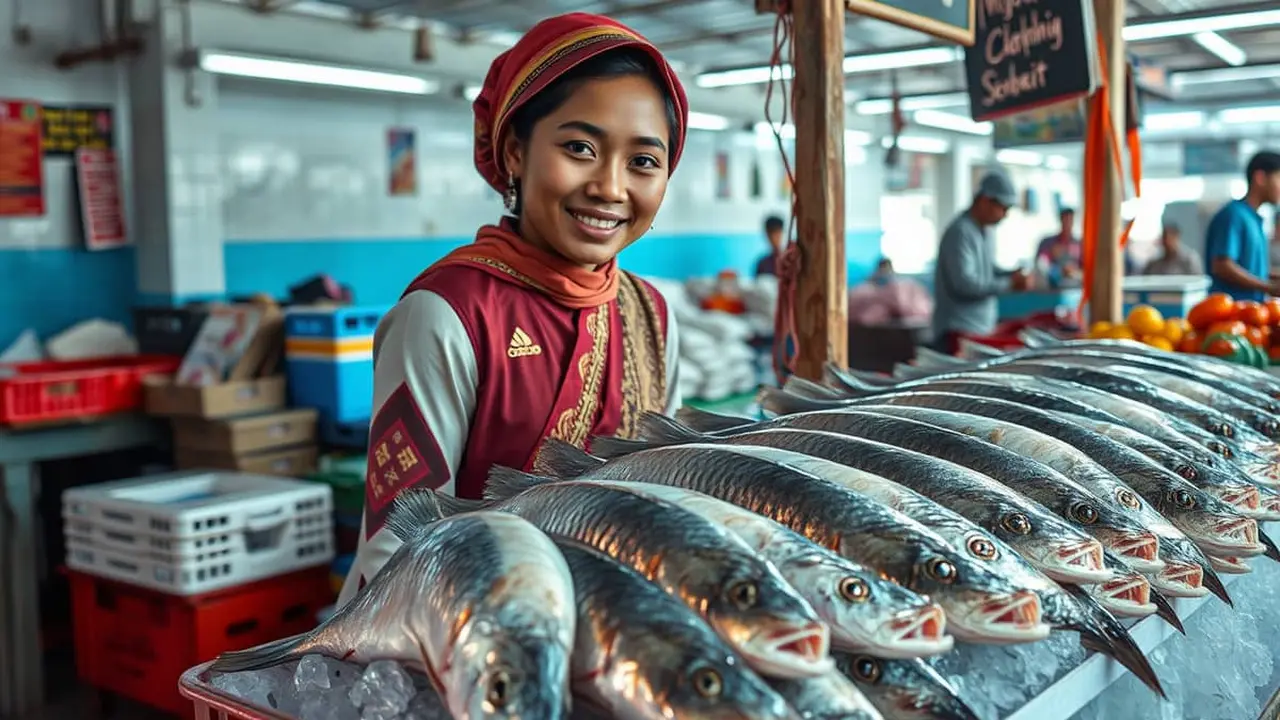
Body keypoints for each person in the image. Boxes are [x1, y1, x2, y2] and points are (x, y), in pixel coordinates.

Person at [337, 12, 688, 604]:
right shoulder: (448, 312)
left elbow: (663, 496)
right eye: (580, 148)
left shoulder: (651, 313)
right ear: (515, 152)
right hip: (452, 636)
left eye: (643, 162)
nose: (610, 187)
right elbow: (399, 545)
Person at [932, 169, 1031, 354]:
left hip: (979, 328)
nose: (1005, 215)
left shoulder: (985, 230)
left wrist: (1011, 273)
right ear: (985, 201)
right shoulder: (961, 232)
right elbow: (965, 285)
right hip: (958, 332)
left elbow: (987, 269)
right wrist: (1010, 284)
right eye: (1003, 208)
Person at [1204, 150, 1280, 301]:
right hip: (1230, 315)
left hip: (1251, 314)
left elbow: (1249, 269)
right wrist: (1269, 287)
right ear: (1260, 178)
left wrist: (1272, 276)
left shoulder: (1255, 220)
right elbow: (1222, 266)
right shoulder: (1233, 215)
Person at [1034, 207, 1081, 287]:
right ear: (1060, 220)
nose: (1067, 223)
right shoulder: (1048, 243)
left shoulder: (1079, 244)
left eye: (1070, 220)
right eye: (1065, 220)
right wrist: (1059, 271)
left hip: (1074, 285)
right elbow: (1041, 264)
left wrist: (1074, 271)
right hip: (1051, 287)